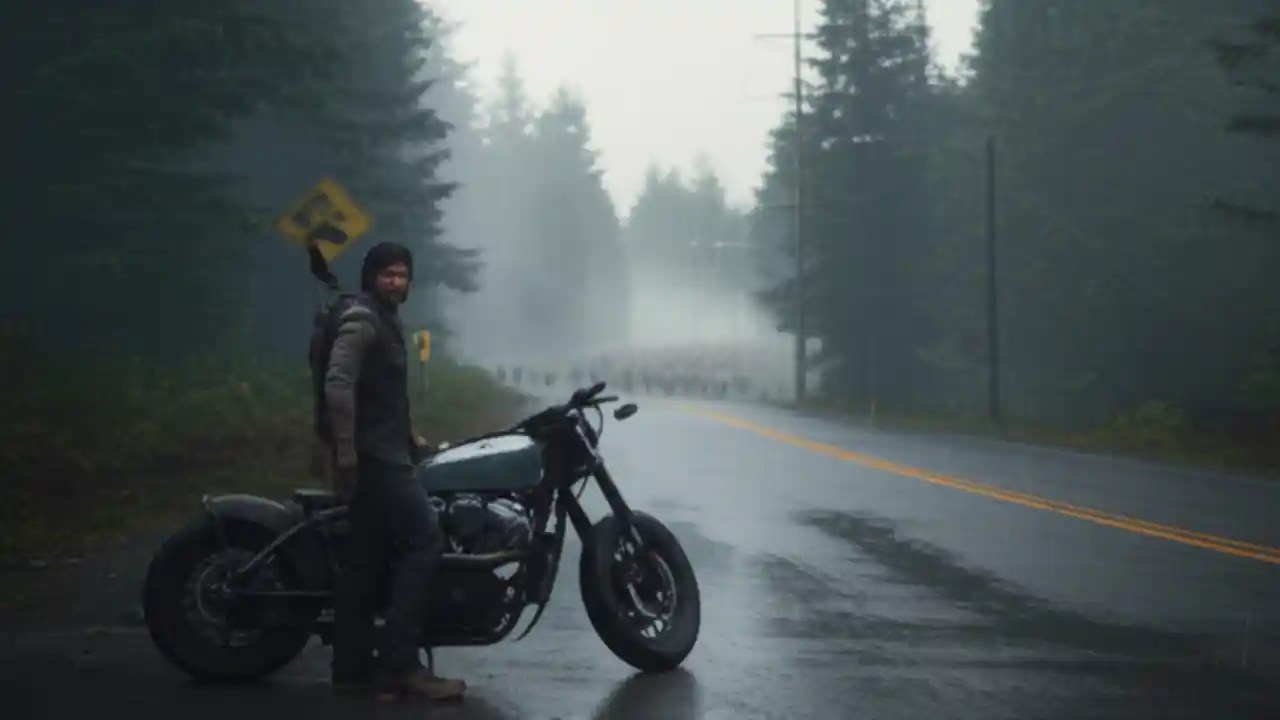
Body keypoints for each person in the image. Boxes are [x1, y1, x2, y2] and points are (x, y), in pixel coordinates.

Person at [324, 241, 466, 701]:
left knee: (365, 560)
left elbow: (382, 393)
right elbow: (339, 383)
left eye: (402, 274)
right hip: (374, 461)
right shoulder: (363, 320)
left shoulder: (384, 320)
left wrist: (411, 437)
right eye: (388, 274)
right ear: (371, 277)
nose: (396, 282)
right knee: (425, 540)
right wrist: (347, 450)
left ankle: (349, 668)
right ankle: (400, 666)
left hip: (382, 453)